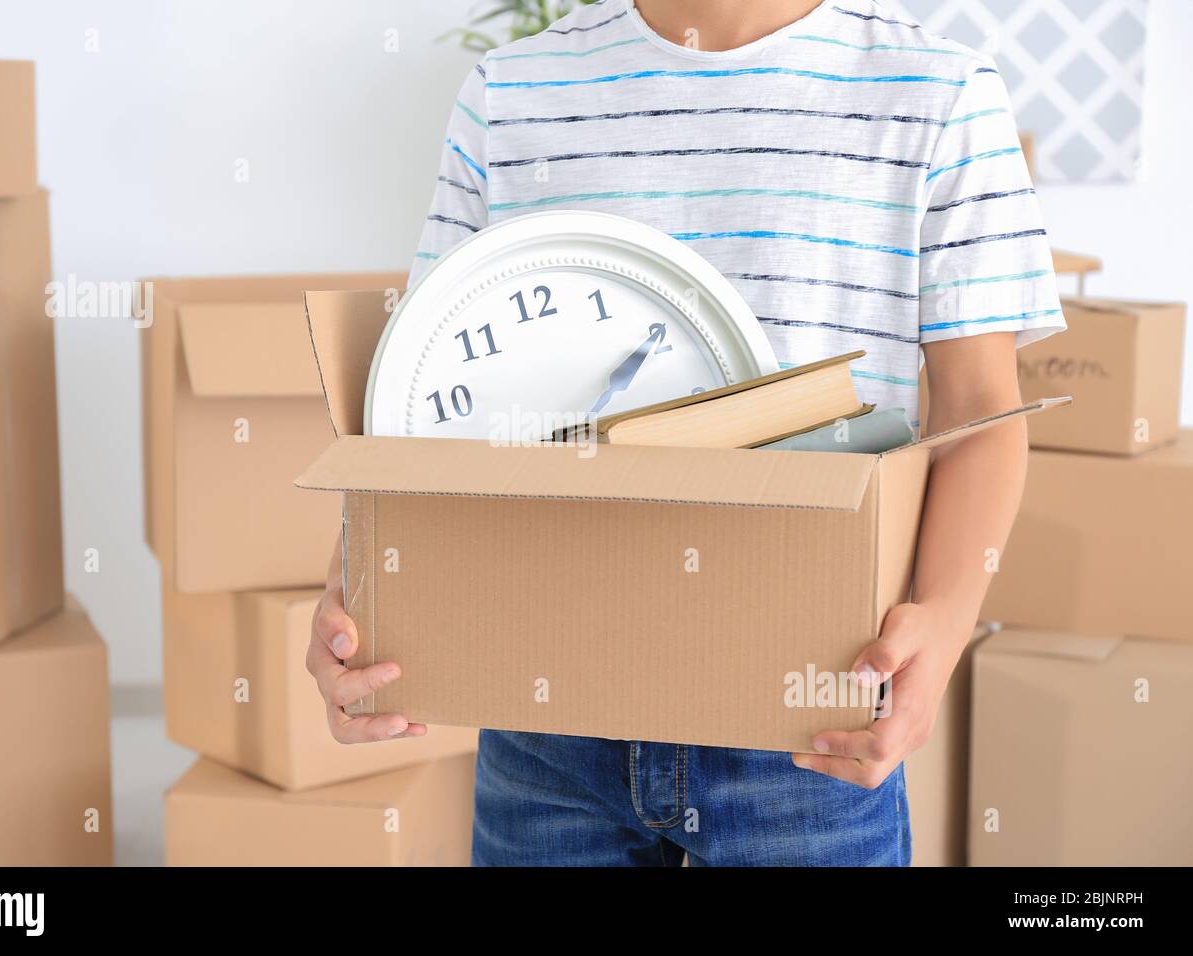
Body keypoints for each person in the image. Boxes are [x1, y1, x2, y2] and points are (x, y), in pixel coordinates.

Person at [307, 0, 1063, 866]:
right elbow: (421, 387)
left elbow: (978, 411)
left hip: (804, 725)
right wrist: (355, 596)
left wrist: (947, 619)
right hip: (545, 716)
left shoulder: (940, 93)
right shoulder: (512, 92)